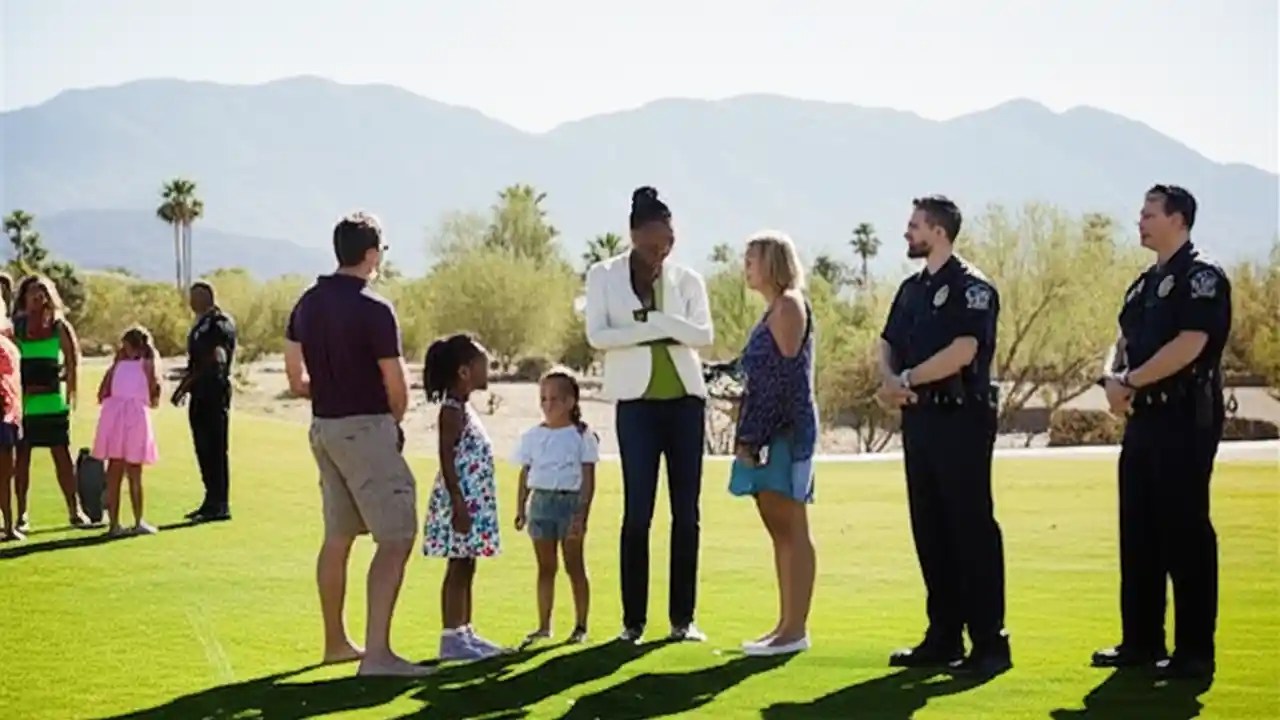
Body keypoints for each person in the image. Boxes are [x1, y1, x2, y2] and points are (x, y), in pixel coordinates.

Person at [1091, 185, 1230, 681]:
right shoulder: (1143, 285)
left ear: (1179, 219)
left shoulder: (1202, 278)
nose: (1140, 221)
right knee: (1140, 531)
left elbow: (1191, 344)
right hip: (1144, 419)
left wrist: (1129, 380)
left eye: (1149, 214)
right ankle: (1142, 642)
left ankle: (1194, 652)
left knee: (1184, 531)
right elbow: (1122, 340)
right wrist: (1113, 378)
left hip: (1184, 417)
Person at [285, 210, 431, 677]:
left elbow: (294, 377)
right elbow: (396, 382)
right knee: (396, 537)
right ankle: (378, 655)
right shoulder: (374, 307)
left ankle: (336, 644)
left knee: (339, 537)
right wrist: (392, 424)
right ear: (370, 254)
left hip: (323, 428)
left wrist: (324, 388)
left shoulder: (307, 302)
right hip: (364, 428)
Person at [877, 195, 1011, 678]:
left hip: (962, 419)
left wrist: (907, 379)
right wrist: (890, 379)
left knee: (969, 528)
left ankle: (989, 642)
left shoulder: (971, 287)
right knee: (929, 527)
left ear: (938, 232)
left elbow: (963, 350)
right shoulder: (912, 289)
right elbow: (888, 340)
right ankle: (943, 636)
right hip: (920, 420)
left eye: (914, 225)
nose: (907, 233)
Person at [584, 185, 714, 644]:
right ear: (634, 234)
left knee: (687, 513)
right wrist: (657, 332)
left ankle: (683, 619)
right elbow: (598, 336)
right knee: (637, 513)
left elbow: (702, 336)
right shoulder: (604, 276)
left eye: (670, 242)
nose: (663, 250)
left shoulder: (687, 280)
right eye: (655, 242)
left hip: (685, 403)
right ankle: (632, 622)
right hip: (636, 406)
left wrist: (651, 324)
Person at [729, 232, 818, 657]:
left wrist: (753, 437)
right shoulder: (773, 310)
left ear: (774, 262)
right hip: (768, 430)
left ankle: (794, 630)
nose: (746, 266)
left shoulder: (787, 306)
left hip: (783, 431)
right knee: (778, 528)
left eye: (753, 259)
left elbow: (784, 380)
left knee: (790, 526)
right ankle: (785, 625)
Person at [422, 333, 505, 660]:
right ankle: (451, 637)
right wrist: (458, 502)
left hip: (473, 500)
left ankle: (466, 631)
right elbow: (446, 457)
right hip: (461, 502)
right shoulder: (452, 411)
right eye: (483, 364)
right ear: (464, 371)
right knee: (458, 566)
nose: (489, 369)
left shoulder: (465, 408)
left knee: (467, 564)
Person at [513, 368, 599, 647]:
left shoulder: (582, 435)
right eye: (544, 399)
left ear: (570, 402)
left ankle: (580, 625)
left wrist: (581, 514)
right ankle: (543, 626)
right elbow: (525, 473)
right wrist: (520, 508)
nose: (548, 405)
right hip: (541, 503)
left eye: (555, 399)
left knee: (574, 565)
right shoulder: (533, 436)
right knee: (545, 567)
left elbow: (588, 478)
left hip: (569, 502)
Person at [12, 274, 87, 530]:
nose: (37, 296)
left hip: (53, 403)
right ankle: (21, 515)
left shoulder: (59, 326)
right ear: (24, 297)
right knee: (21, 460)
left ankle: (75, 512)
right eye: (32, 291)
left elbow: (72, 358)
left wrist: (70, 388)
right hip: (24, 404)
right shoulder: (16, 327)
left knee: (62, 457)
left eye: (42, 291)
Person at [172, 281, 237, 522]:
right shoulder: (201, 324)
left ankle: (220, 503)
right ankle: (210, 500)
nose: (190, 302)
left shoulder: (218, 325)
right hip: (199, 393)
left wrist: (184, 386)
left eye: (195, 297)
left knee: (215, 448)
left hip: (213, 392)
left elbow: (212, 362)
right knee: (202, 447)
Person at [92, 326, 161, 537]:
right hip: (132, 417)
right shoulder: (143, 365)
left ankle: (119, 523)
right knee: (128, 471)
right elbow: (154, 393)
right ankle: (129, 522)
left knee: (121, 471)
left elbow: (103, 392)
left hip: (118, 416)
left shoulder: (125, 366)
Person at [0, 312, 22, 542]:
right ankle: (7, 526)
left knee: (6, 474)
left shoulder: (8, 345)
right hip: (6, 413)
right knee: (5, 474)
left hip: (8, 413)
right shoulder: (7, 346)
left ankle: (7, 525)